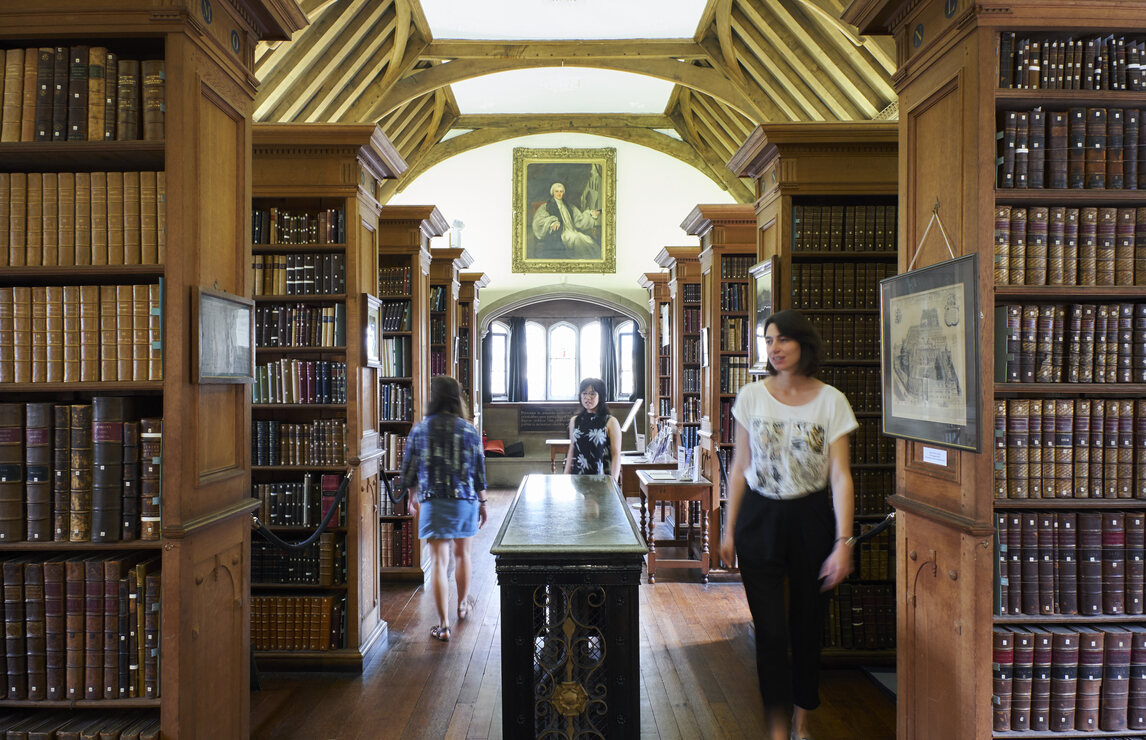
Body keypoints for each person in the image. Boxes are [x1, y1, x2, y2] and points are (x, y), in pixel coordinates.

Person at [718, 310, 857, 740]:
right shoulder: (751, 397)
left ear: (803, 344)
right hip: (760, 517)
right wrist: (727, 530)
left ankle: (802, 716)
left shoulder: (831, 400)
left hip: (811, 518)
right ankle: (778, 727)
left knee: (808, 626)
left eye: (783, 339)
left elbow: (840, 476)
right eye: (768, 339)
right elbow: (740, 465)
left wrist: (843, 543)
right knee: (771, 632)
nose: (774, 348)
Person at [400, 375, 488, 642]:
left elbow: (409, 469)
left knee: (438, 561)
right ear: (457, 398)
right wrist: (483, 502)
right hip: (464, 499)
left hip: (433, 500)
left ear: (433, 397)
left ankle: (443, 625)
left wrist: (411, 496)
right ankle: (462, 605)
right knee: (463, 554)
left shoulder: (420, 429)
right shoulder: (469, 430)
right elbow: (478, 471)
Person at [563, 377, 621, 482]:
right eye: (584, 393)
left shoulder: (611, 421)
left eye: (592, 394)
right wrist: (565, 475)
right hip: (578, 478)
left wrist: (614, 481)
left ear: (601, 396)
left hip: (602, 478)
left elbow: (616, 454)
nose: (587, 397)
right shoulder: (574, 421)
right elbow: (572, 449)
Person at [530, 182, 601, 259]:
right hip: (560, 233)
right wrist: (551, 223)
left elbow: (579, 220)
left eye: (561, 191)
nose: (559, 193)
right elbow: (539, 220)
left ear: (563, 193)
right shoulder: (546, 206)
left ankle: (588, 261)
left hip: (572, 231)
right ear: (553, 192)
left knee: (587, 240)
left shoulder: (569, 206)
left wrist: (591, 214)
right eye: (556, 191)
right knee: (577, 239)